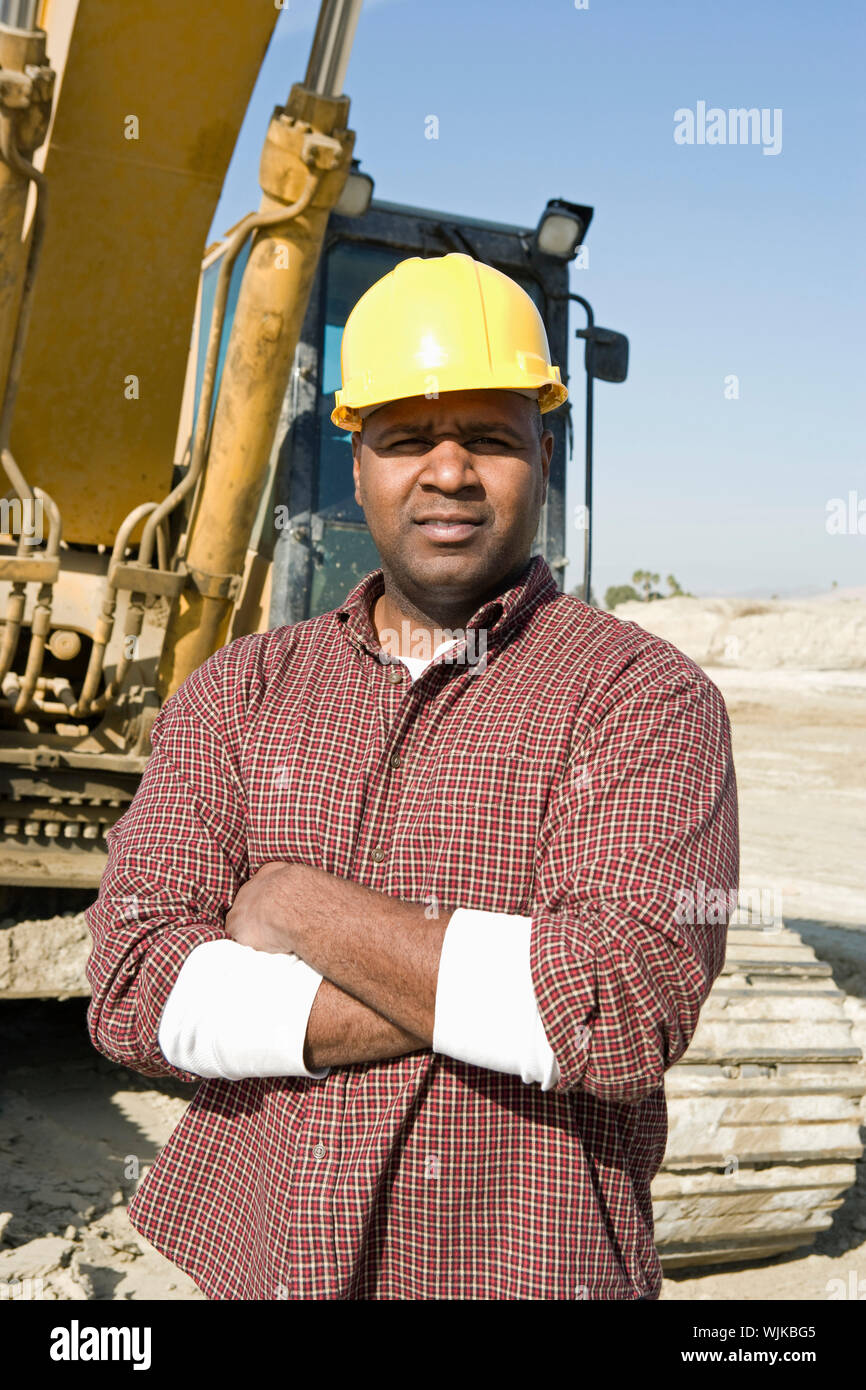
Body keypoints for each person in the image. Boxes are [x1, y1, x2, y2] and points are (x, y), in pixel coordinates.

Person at [85, 252, 739, 1301]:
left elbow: (618, 1006)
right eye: (405, 440)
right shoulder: (240, 690)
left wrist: (295, 906)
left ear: (543, 451)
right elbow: (131, 987)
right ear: (355, 466)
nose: (447, 471)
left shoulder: (640, 697)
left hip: (515, 1270)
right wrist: (488, 983)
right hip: (256, 1263)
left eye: (487, 437)